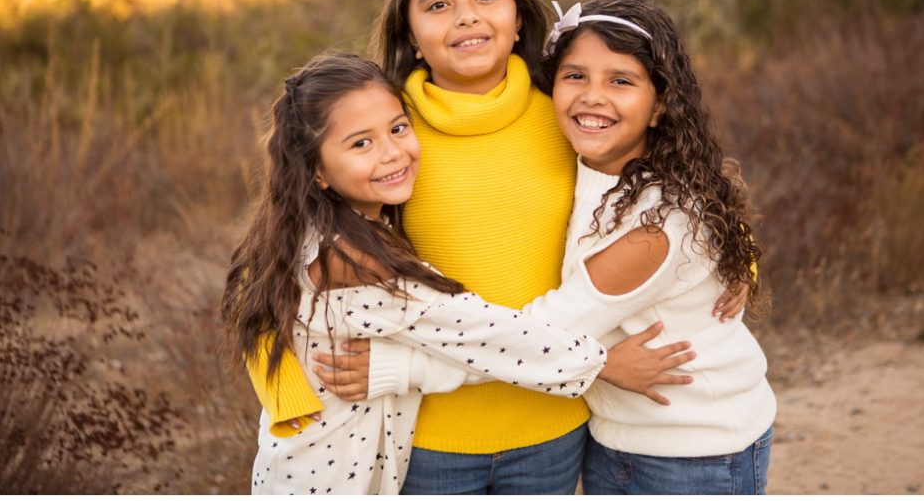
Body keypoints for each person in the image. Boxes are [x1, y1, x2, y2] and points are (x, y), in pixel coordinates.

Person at [259, 0, 747, 494]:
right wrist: (284, 389)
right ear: (411, 34)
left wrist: (738, 255)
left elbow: (684, 182)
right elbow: (286, 248)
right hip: (427, 439)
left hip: (553, 431)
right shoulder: (386, 136)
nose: (466, 17)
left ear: (519, 19)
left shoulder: (572, 115)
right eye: (438, 4)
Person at [219, 51, 670, 495]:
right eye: (361, 143)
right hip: (334, 482)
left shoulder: (306, 230)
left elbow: (253, 306)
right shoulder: (356, 259)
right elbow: (482, 333)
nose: (392, 153)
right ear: (316, 170)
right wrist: (602, 364)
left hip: (302, 469)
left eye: (397, 129)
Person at [535, 0, 776, 494]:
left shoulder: (653, 225)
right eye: (575, 75)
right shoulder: (597, 166)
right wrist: (743, 261)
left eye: (620, 81)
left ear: (660, 104)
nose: (592, 96)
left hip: (690, 453)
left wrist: (399, 364)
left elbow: (543, 335)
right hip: (619, 436)